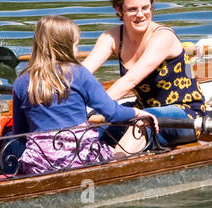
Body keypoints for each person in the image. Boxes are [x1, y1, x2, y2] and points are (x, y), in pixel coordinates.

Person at [12, 15, 159, 176]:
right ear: (65, 46)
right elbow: (113, 113)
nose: (77, 49)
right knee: (138, 129)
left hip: (39, 163)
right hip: (80, 158)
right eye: (76, 44)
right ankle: (119, 174)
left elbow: (20, 132)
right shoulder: (79, 74)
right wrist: (138, 113)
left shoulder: (21, 82)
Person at [80, 0, 206, 147]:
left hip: (186, 114)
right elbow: (80, 75)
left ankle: (114, 168)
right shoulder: (111, 37)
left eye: (145, 8)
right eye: (132, 9)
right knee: (93, 131)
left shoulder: (163, 36)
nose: (140, 14)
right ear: (119, 10)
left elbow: (130, 80)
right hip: (143, 109)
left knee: (141, 120)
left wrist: (97, 108)